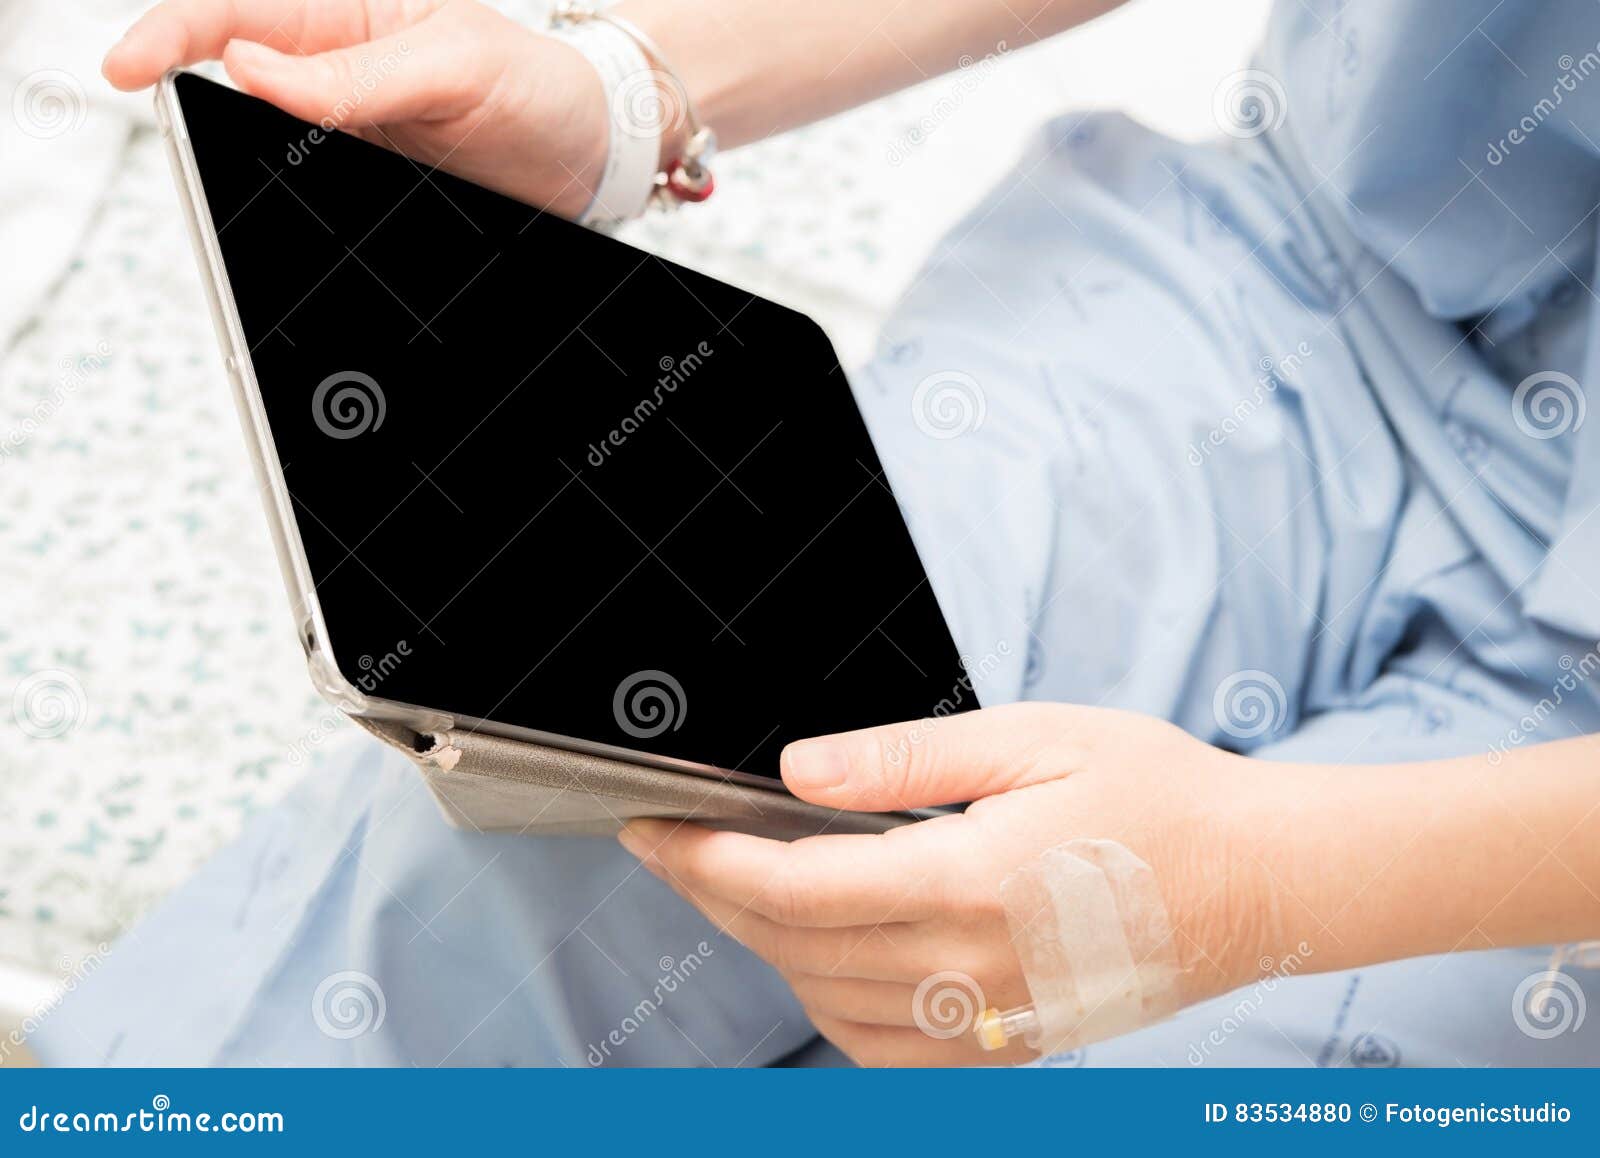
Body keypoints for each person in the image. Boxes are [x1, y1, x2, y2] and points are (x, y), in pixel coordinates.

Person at [37, 0, 1600, 1067]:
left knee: (1054, 1074)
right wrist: (623, 87)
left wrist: (1268, 890)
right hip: (1311, 290)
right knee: (598, 779)